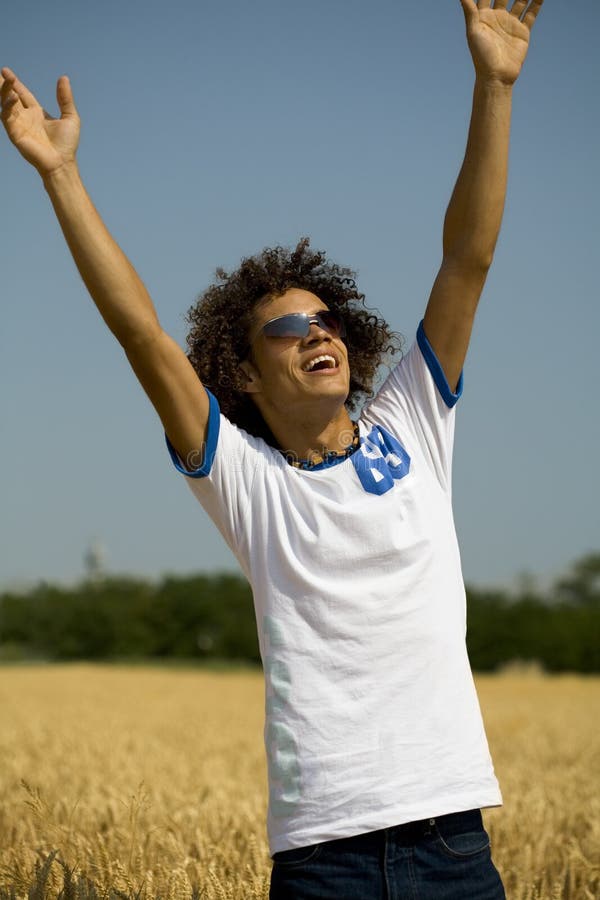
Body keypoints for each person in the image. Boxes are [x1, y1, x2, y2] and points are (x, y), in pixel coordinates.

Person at [1, 0, 544, 896]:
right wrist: (61, 175)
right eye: (287, 327)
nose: (316, 331)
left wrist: (494, 85)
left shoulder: (415, 421)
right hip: (323, 859)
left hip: (456, 846)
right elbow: (141, 335)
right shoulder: (248, 486)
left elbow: (466, 261)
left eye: (326, 318)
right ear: (243, 375)